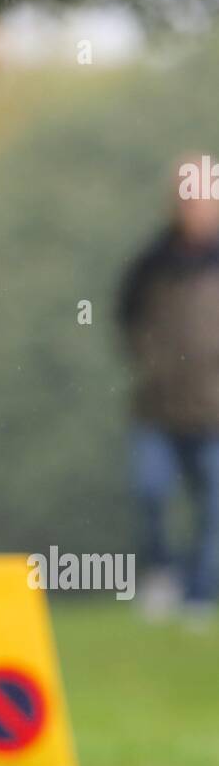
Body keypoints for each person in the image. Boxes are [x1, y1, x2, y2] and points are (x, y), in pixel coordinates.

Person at [117, 162, 219, 623]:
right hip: (157, 409)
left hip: (214, 414)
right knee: (150, 492)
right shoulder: (151, 262)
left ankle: (199, 598)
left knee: (213, 510)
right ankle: (162, 574)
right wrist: (150, 365)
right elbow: (127, 319)